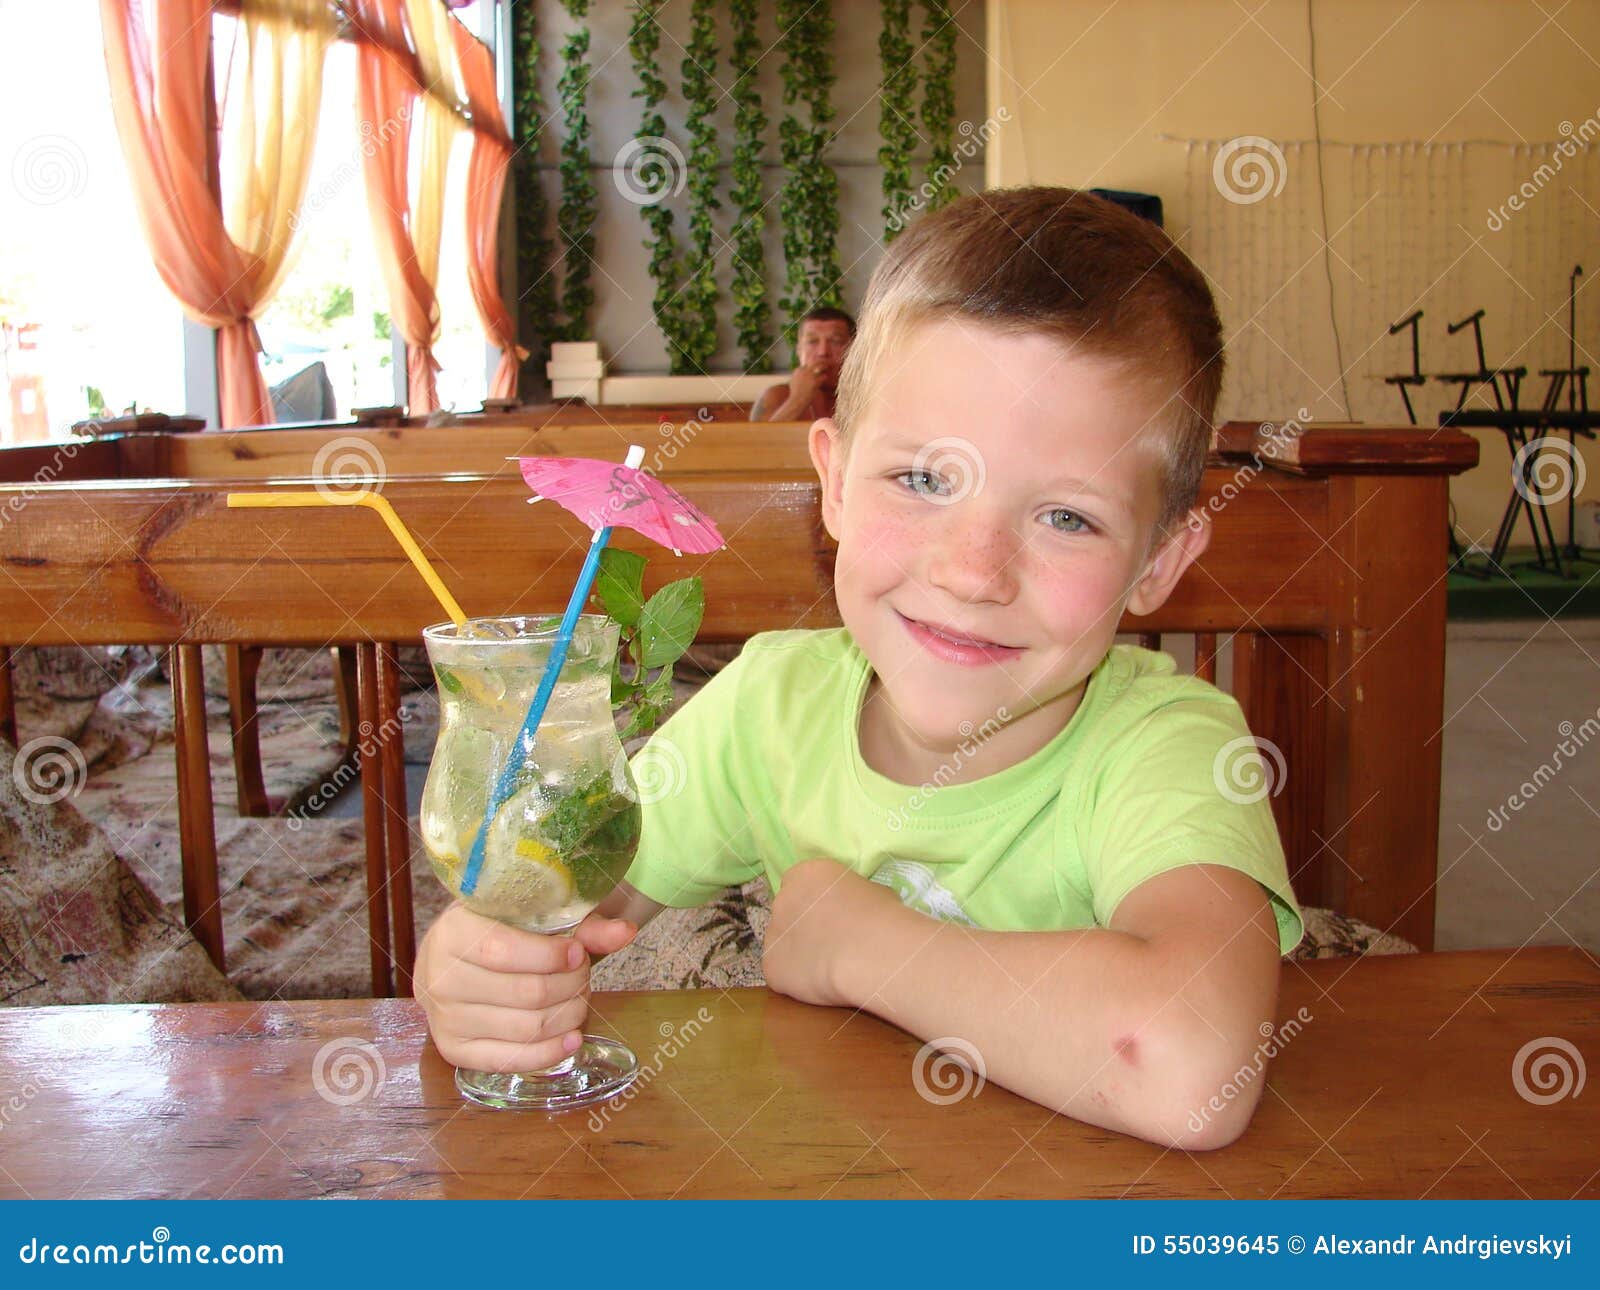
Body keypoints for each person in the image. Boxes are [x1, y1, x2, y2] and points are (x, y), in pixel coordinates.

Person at [416, 187, 1305, 1151]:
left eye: (1067, 517)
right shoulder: (766, 707)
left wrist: (864, 947)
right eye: (923, 481)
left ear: (1160, 563)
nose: (972, 573)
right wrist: (482, 968)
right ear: (833, 482)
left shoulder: (1171, 746)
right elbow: (562, 904)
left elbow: (1186, 1070)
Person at [750, 307, 855, 421]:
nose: (822, 352)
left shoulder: (867, 396)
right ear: (799, 350)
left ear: (855, 350)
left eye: (835, 341)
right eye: (812, 341)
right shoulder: (777, 396)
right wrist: (798, 399)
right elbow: (759, 438)